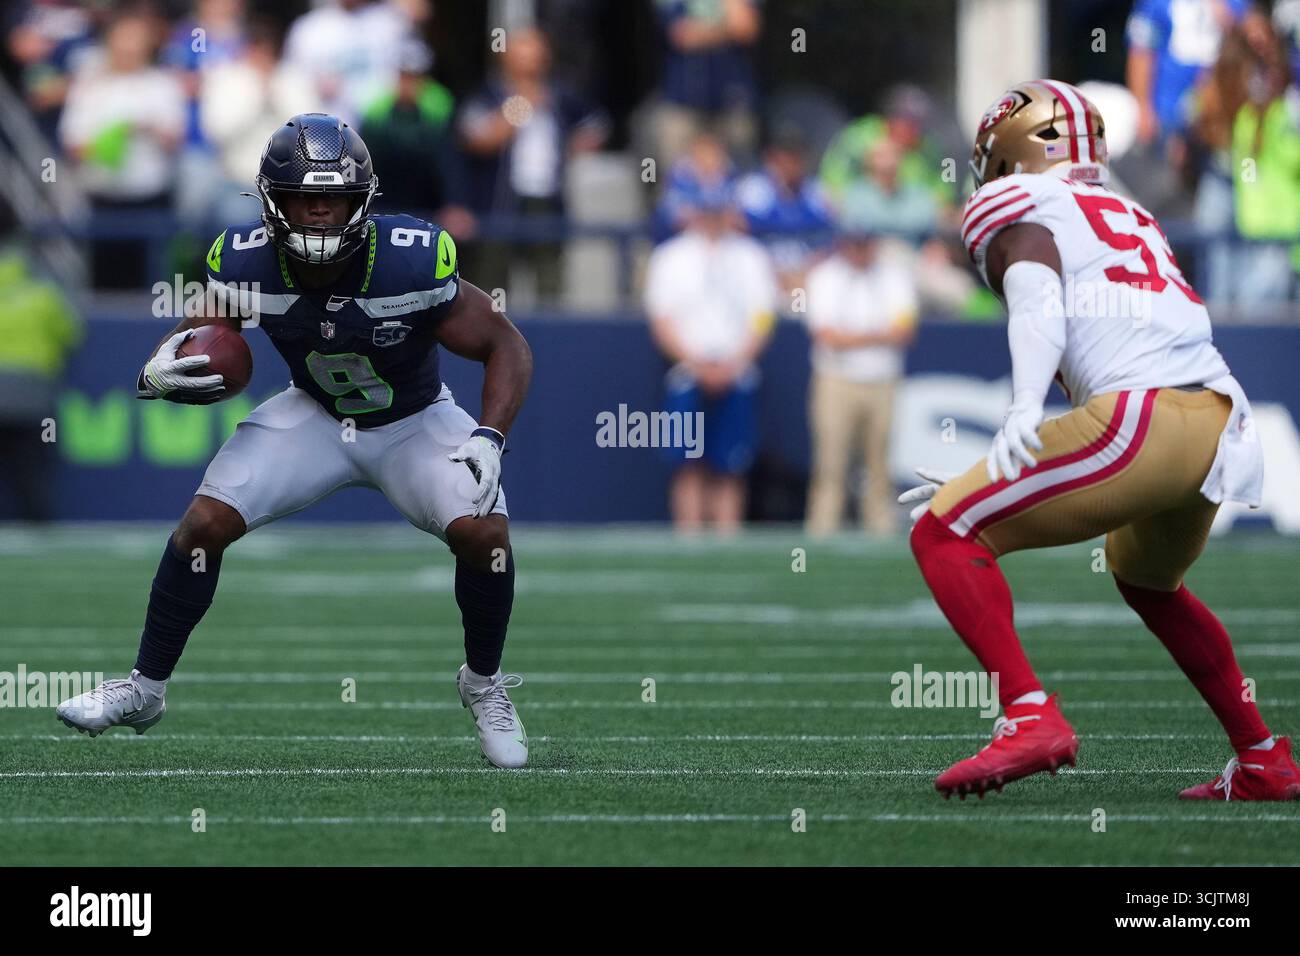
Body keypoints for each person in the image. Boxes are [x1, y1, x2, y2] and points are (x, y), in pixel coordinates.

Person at [55, 114, 535, 770]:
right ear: (271, 201)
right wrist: (155, 370)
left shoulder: (411, 257)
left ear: (361, 200)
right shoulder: (245, 258)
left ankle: (482, 685)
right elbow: (200, 339)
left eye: (333, 198)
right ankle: (144, 690)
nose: (317, 214)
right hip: (315, 415)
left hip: (415, 421)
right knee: (203, 525)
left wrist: (489, 436)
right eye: (303, 199)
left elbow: (505, 343)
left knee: (485, 534)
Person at [900, 80, 1299, 801]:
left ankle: (1030, 716)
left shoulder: (1015, 204)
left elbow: (1036, 292)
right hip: (1215, 423)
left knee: (942, 534)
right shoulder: (1129, 210)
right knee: (1149, 581)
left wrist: (1023, 404)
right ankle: (1264, 757)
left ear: (1017, 150)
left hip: (1139, 420)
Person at [644, 182, 776, 533]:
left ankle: (726, 539)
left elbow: (762, 318)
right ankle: (689, 540)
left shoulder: (751, 256)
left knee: (730, 466)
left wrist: (733, 363)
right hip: (688, 372)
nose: (714, 218)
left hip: (738, 371)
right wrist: (698, 364)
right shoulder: (671, 256)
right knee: (687, 465)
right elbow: (662, 320)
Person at [803, 215, 917, 537]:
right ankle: (821, 533)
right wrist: (878, 335)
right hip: (836, 380)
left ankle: (879, 533)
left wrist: (853, 337)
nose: (860, 249)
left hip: (882, 380)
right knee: (830, 465)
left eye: (865, 241)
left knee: (878, 467)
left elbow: (904, 330)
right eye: (854, 242)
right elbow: (827, 336)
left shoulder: (894, 275)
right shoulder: (825, 276)